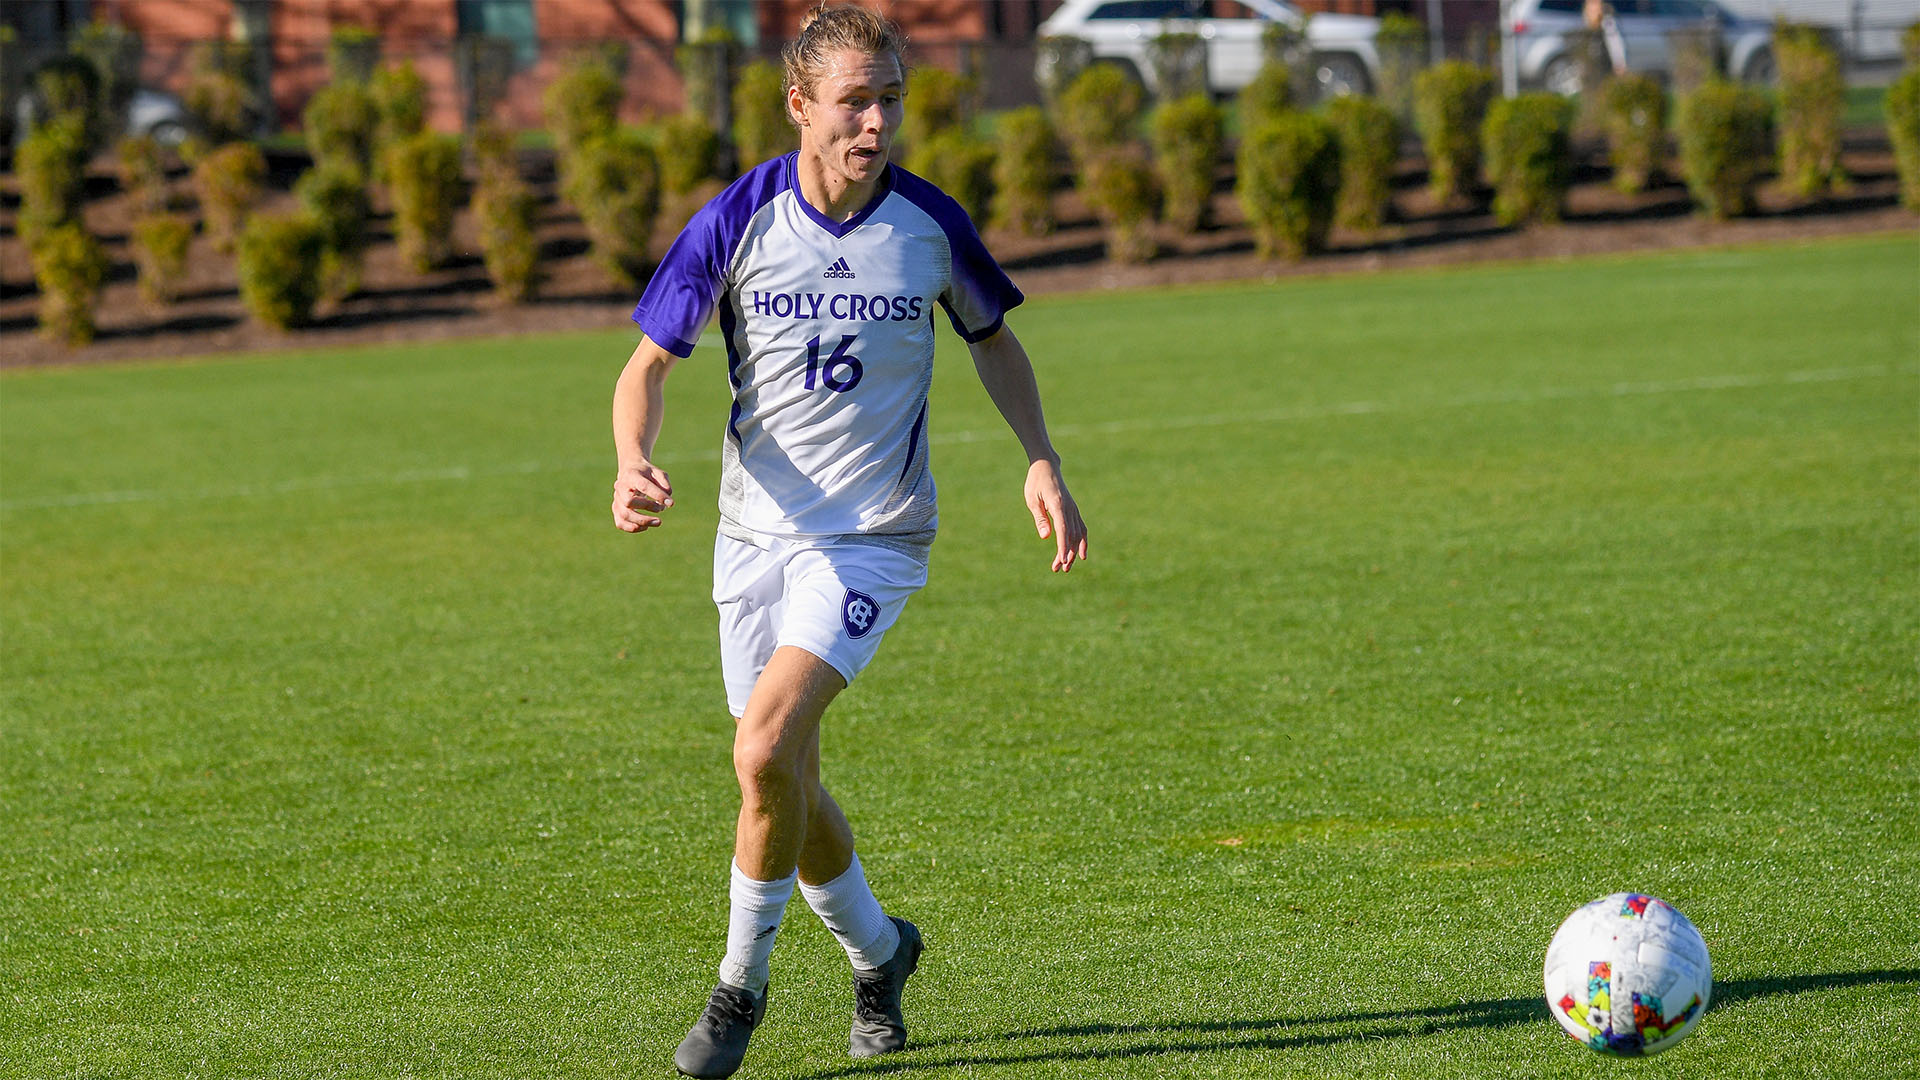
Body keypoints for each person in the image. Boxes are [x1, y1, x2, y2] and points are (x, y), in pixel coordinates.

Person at [609, 6, 1089, 1077]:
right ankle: (881, 954)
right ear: (799, 105)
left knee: (763, 749)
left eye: (890, 100)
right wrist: (632, 459)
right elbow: (646, 366)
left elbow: (994, 340)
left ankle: (737, 994)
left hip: (872, 537)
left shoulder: (927, 223)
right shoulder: (736, 220)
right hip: (751, 539)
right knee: (782, 782)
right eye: (854, 101)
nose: (876, 122)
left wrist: (1040, 455)